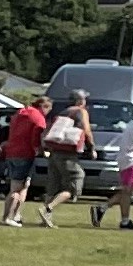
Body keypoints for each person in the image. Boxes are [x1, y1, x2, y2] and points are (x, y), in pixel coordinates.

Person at [33, 94, 90, 224]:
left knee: (53, 187)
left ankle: (45, 219)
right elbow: (86, 131)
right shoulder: (81, 111)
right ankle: (48, 208)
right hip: (68, 154)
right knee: (73, 186)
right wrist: (91, 148)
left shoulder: (62, 113)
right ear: (80, 101)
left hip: (54, 153)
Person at [0, 93, 50, 223]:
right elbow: (36, 136)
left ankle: (16, 215)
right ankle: (6, 218)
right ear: (44, 106)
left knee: (25, 185)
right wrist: (40, 150)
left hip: (11, 152)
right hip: (25, 154)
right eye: (48, 109)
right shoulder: (38, 117)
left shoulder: (19, 114)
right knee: (16, 188)